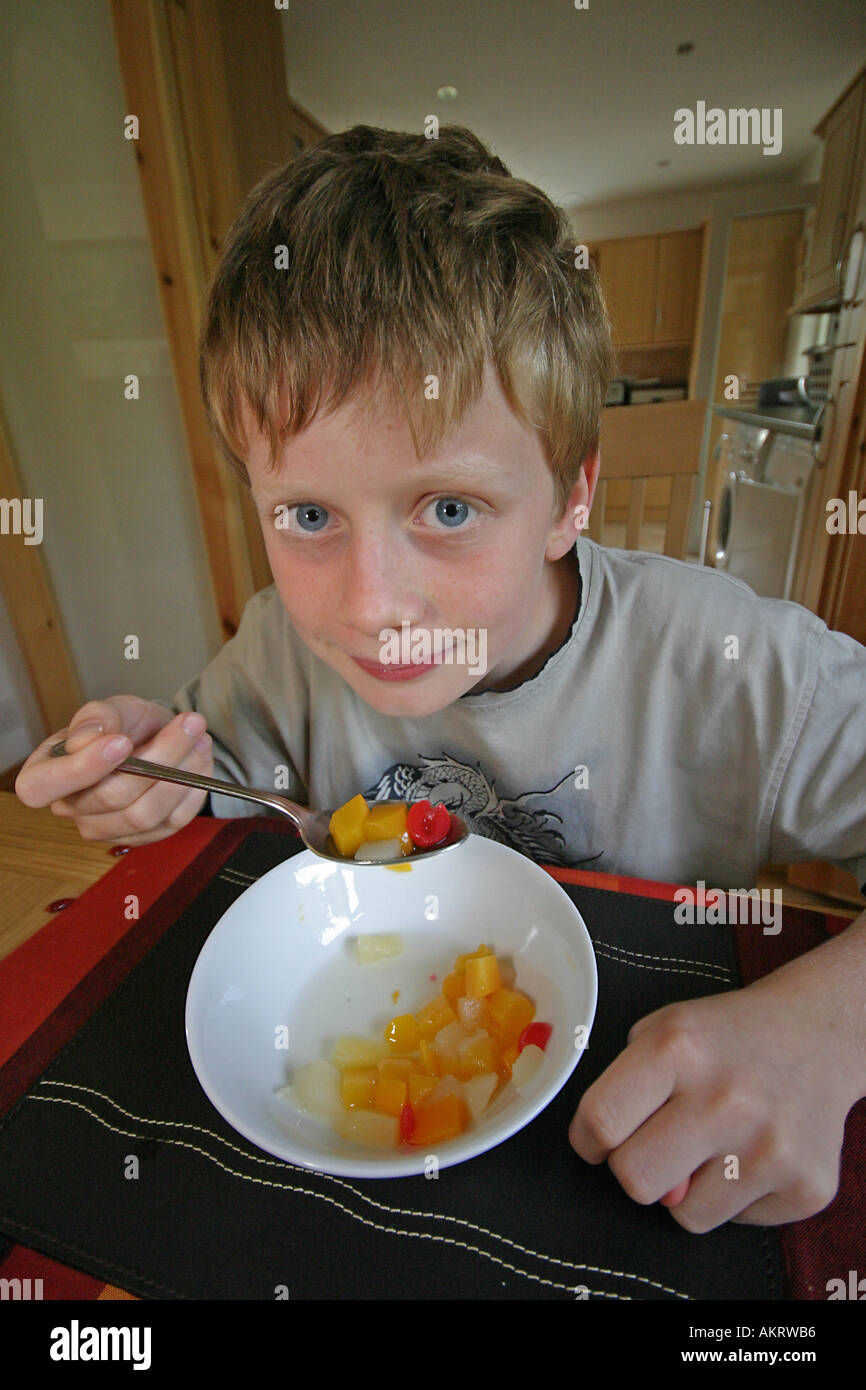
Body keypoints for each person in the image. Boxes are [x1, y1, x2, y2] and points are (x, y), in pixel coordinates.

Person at [15, 125, 866, 1235]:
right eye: (308, 515)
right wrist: (141, 769)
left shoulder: (740, 672)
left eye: (449, 509)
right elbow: (204, 780)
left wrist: (828, 1028)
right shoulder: (280, 650)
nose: (370, 605)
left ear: (570, 497)